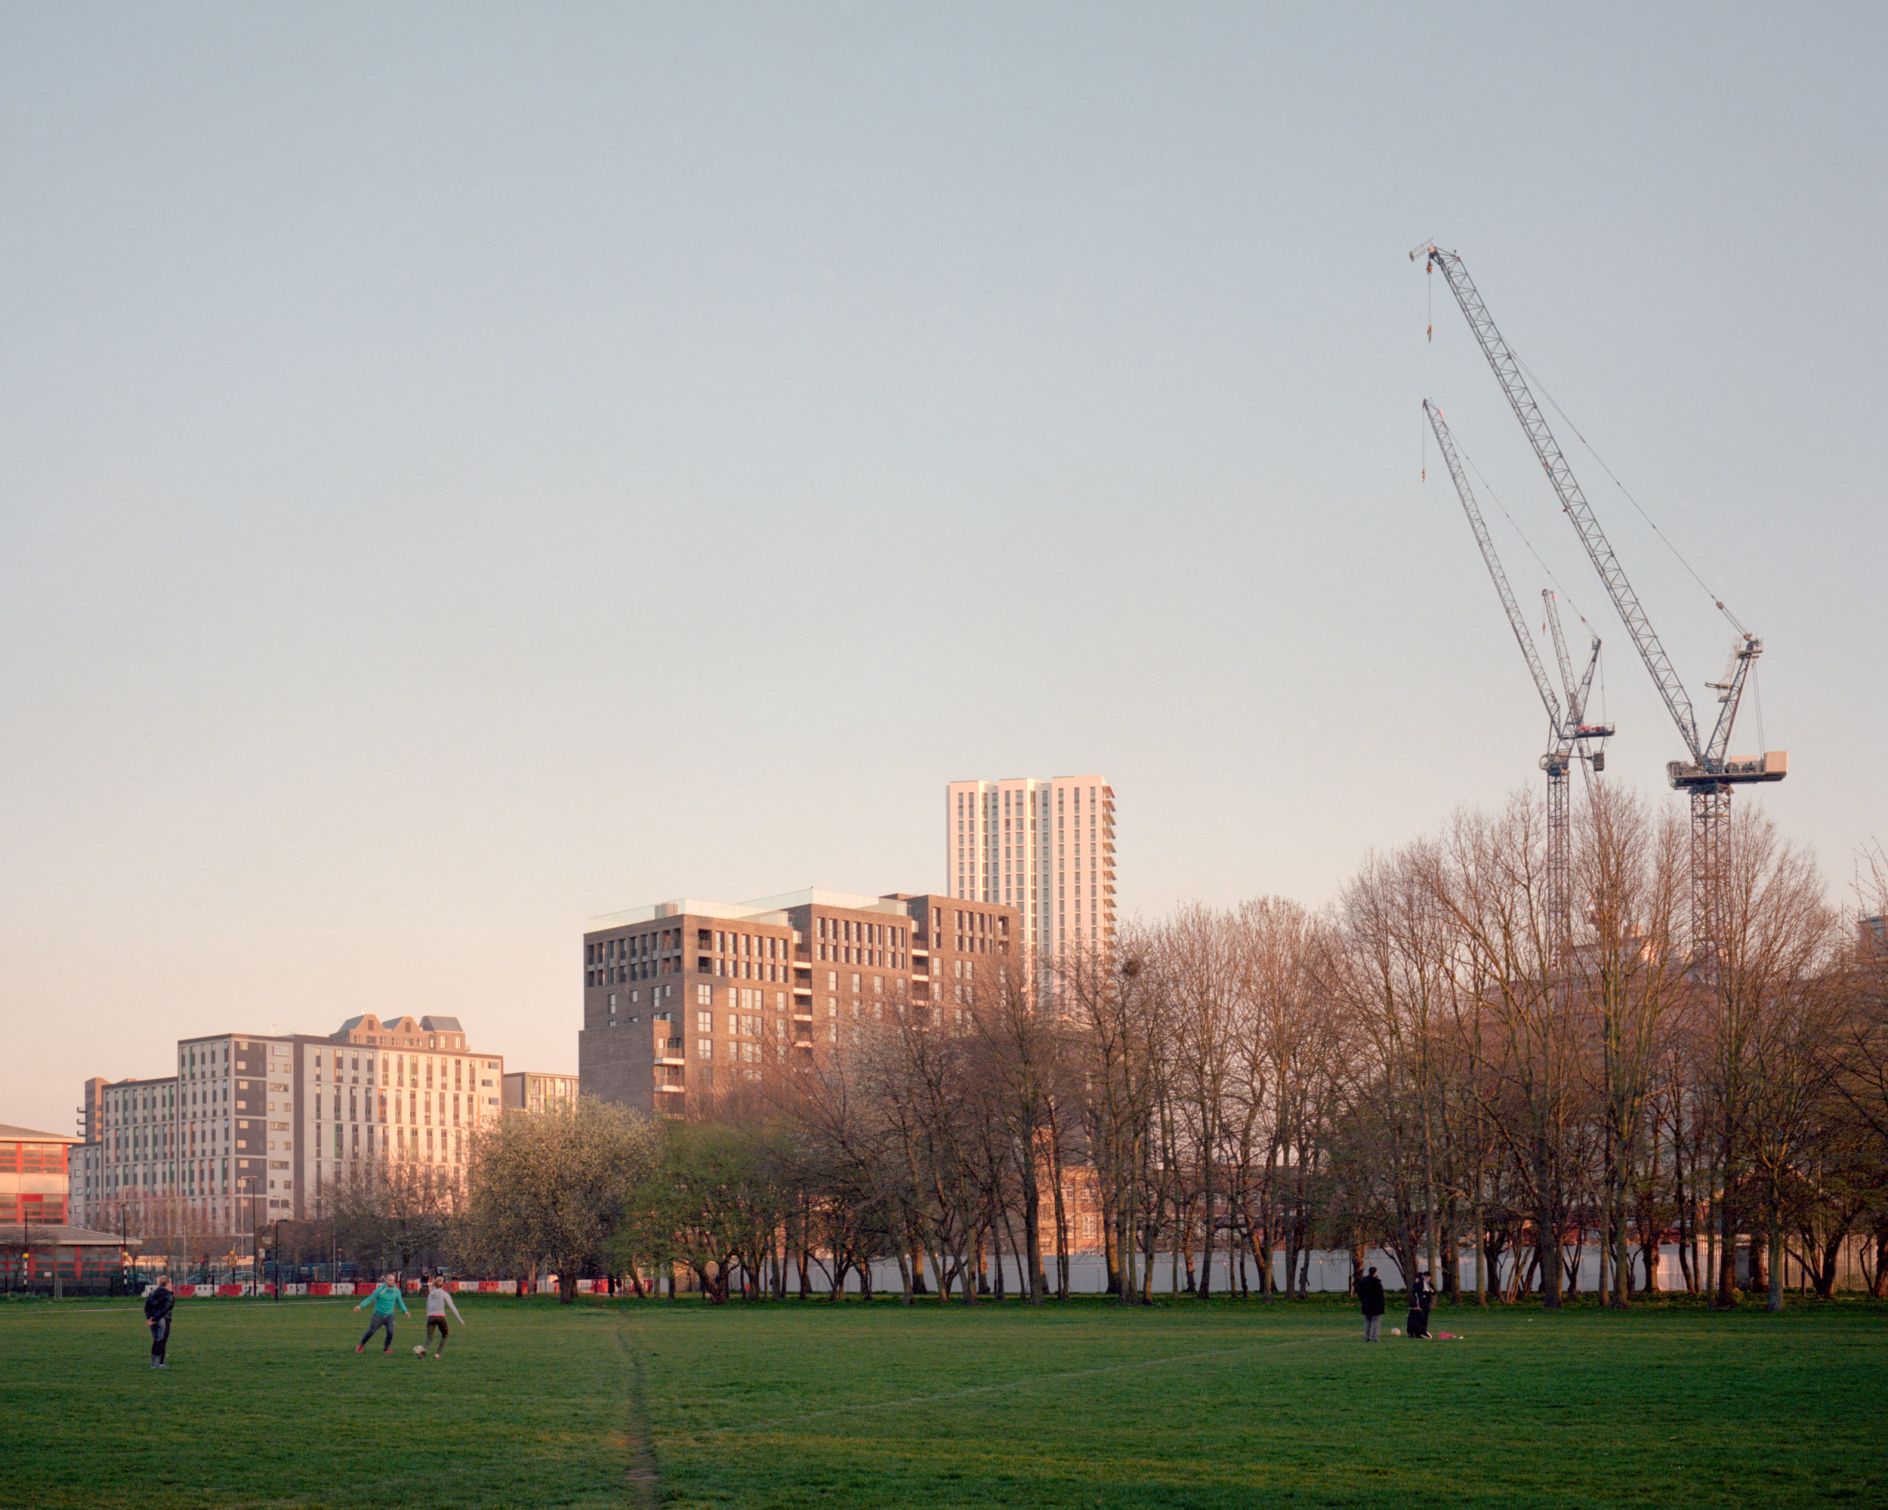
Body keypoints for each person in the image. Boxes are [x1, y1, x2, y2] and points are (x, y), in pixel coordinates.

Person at [354, 1273, 409, 1355]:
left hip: (390, 1316)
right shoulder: (380, 1290)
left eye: (394, 1280)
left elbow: (400, 1302)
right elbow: (370, 1299)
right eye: (390, 1280)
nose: (392, 1282)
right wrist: (360, 1306)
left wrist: (405, 1311)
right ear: (386, 1280)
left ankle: (386, 1349)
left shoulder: (396, 1291)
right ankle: (360, 1345)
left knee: (390, 1332)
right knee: (371, 1331)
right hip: (378, 1315)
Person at [424, 1275, 465, 1358]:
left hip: (431, 1317)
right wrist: (459, 1319)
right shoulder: (444, 1294)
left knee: (429, 1338)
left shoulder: (431, 1294)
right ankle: (437, 1354)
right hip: (440, 1317)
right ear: (443, 1285)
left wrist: (428, 1316)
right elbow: (451, 1306)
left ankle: (422, 1352)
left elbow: (427, 1305)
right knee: (445, 1335)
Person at [144, 1275, 175, 1369]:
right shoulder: (169, 1295)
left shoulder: (152, 1293)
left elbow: (146, 1307)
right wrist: (155, 1318)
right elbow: (166, 1309)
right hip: (163, 1319)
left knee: (156, 1340)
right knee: (162, 1341)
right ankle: (160, 1363)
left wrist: (150, 1318)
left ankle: (153, 1363)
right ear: (167, 1283)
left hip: (152, 1320)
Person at [1357, 1264, 1386, 1342]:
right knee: (1375, 1321)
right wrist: (1382, 1304)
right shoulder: (1376, 1282)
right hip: (1376, 1305)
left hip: (1366, 1304)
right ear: (1375, 1272)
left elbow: (1359, 1292)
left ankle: (1366, 1336)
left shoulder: (1363, 1281)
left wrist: (1363, 1300)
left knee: (1367, 1321)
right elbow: (1380, 1295)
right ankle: (1374, 1337)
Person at [1407, 1269, 1436, 1339]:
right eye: (1426, 1277)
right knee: (1418, 1318)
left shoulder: (1430, 1284)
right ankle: (1416, 1332)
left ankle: (1424, 1331)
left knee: (1425, 1318)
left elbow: (1434, 1292)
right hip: (1420, 1303)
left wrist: (1432, 1290)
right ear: (1424, 1277)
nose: (1427, 1279)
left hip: (1426, 1303)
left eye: (1429, 1278)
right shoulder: (1419, 1283)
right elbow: (1415, 1290)